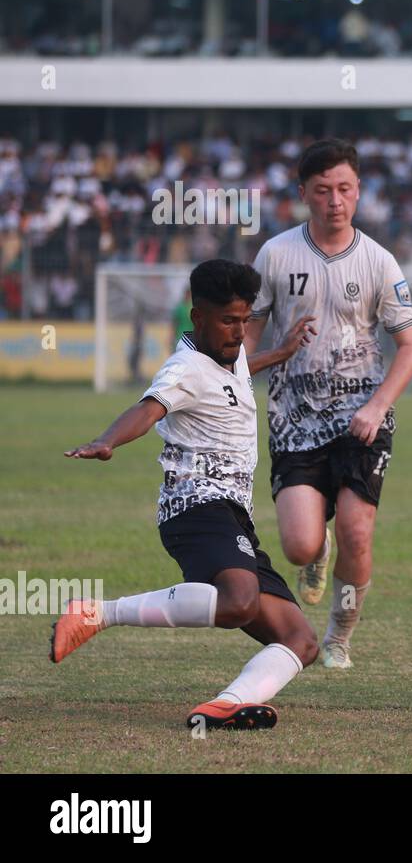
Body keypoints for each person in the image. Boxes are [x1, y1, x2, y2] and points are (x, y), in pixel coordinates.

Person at [55, 259, 318, 730]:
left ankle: (228, 703)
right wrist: (107, 441)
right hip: (196, 504)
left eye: (244, 319)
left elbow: (235, 375)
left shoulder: (227, 354)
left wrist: (278, 353)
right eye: (227, 321)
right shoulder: (184, 368)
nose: (238, 332)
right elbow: (148, 409)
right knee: (238, 601)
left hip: (233, 516)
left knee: (300, 640)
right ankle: (99, 614)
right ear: (197, 317)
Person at [242, 139, 412, 670]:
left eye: (344, 189)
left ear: (359, 191)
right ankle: (316, 555)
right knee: (299, 546)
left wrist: (377, 407)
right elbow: (247, 342)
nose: (334, 200)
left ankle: (340, 636)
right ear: (303, 194)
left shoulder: (379, 260)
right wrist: (244, 371)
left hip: (361, 419)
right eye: (322, 191)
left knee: (357, 529)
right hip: (294, 421)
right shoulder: (276, 254)